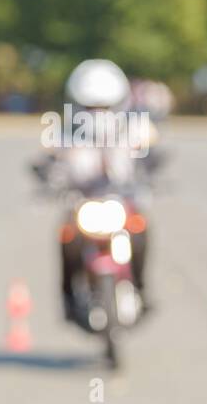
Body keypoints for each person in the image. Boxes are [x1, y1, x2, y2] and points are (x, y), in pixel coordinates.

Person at [56, 59, 151, 322]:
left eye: (103, 106)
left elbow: (147, 153)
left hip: (120, 202)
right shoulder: (66, 134)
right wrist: (50, 175)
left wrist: (149, 167)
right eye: (90, 106)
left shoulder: (132, 130)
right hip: (84, 203)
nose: (97, 113)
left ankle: (141, 288)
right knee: (67, 238)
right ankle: (68, 295)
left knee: (141, 230)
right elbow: (53, 161)